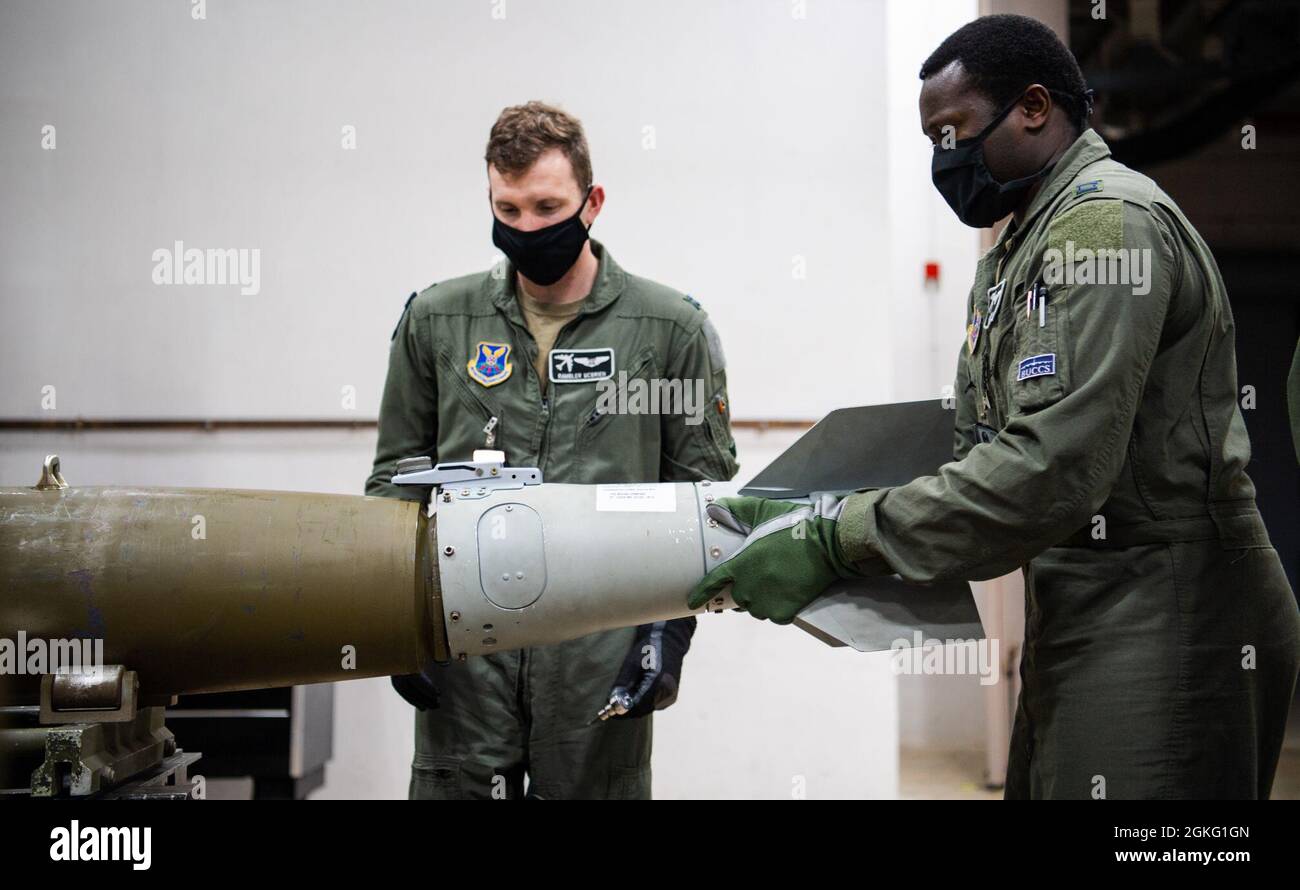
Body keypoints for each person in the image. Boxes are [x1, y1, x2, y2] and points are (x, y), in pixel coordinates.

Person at [689, 15, 1300, 800]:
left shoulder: (1105, 225)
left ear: (1034, 107)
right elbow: (987, 448)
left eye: (953, 131)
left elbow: (1052, 469)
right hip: (1082, 599)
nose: (943, 160)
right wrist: (821, 500)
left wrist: (836, 539)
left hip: (1171, 607)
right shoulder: (1021, 246)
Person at [368, 101, 738, 799]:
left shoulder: (668, 330)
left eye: (546, 206)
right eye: (507, 210)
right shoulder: (438, 321)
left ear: (591, 203)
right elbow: (395, 479)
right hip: (462, 647)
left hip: (600, 648)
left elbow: (705, 496)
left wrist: (670, 631)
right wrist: (395, 621)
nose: (528, 228)